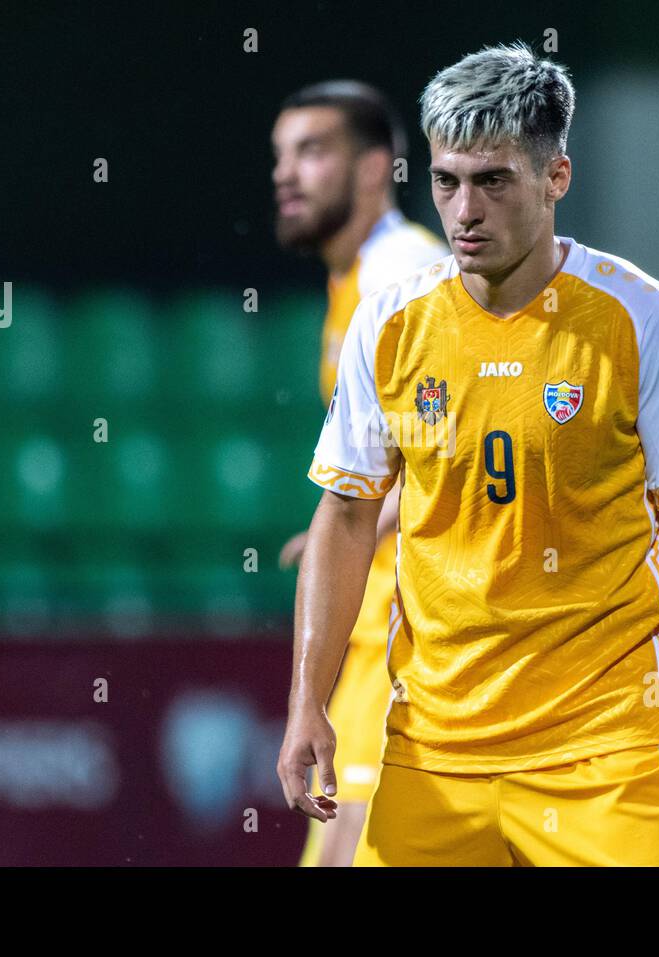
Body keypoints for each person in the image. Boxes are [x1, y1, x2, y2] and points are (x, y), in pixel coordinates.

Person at [277, 41, 659, 866]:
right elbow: (345, 516)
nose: (464, 212)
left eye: (494, 182)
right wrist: (306, 701)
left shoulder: (645, 320)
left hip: (608, 750)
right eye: (447, 182)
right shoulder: (388, 325)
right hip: (433, 753)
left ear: (556, 177)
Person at [270, 79, 448, 866]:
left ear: (376, 168)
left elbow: (452, 448)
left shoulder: (407, 276)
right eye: (280, 155)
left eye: (311, 152)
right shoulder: (359, 280)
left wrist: (347, 527)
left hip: (409, 631)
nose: (285, 174)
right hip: (376, 626)